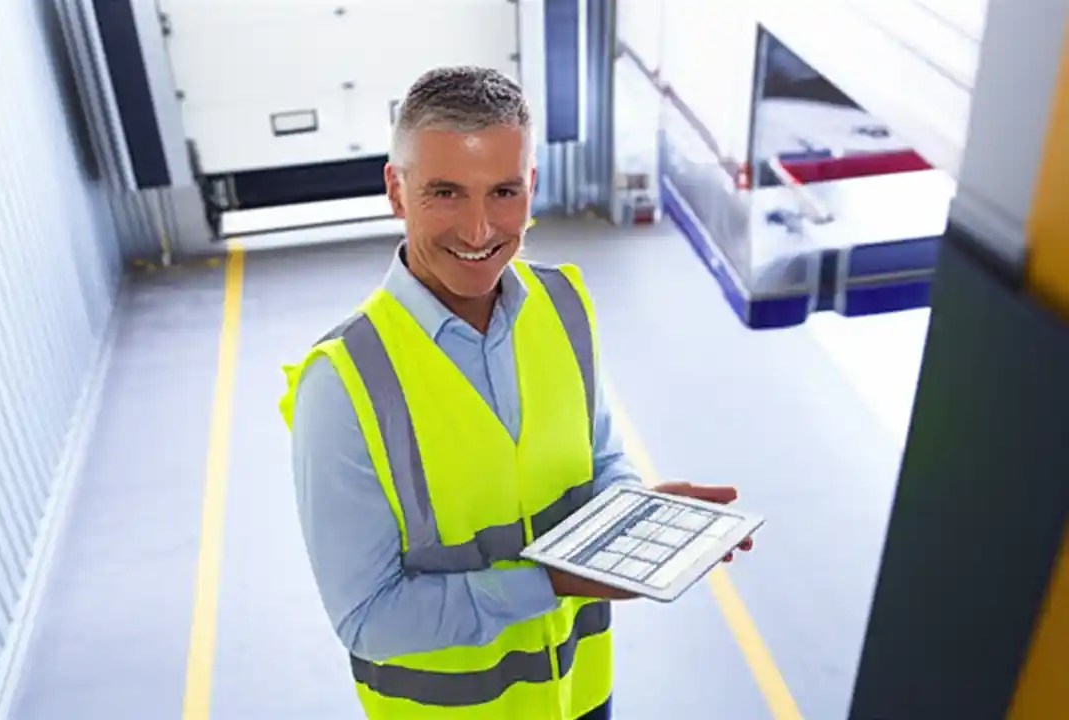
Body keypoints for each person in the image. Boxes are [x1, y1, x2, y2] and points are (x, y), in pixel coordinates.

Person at [278, 65, 752, 719]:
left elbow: (600, 461)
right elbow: (368, 618)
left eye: (503, 191)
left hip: (581, 700)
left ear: (531, 184)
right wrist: (554, 582)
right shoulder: (343, 384)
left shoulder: (563, 307)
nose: (479, 231)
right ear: (397, 189)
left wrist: (639, 521)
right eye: (446, 192)